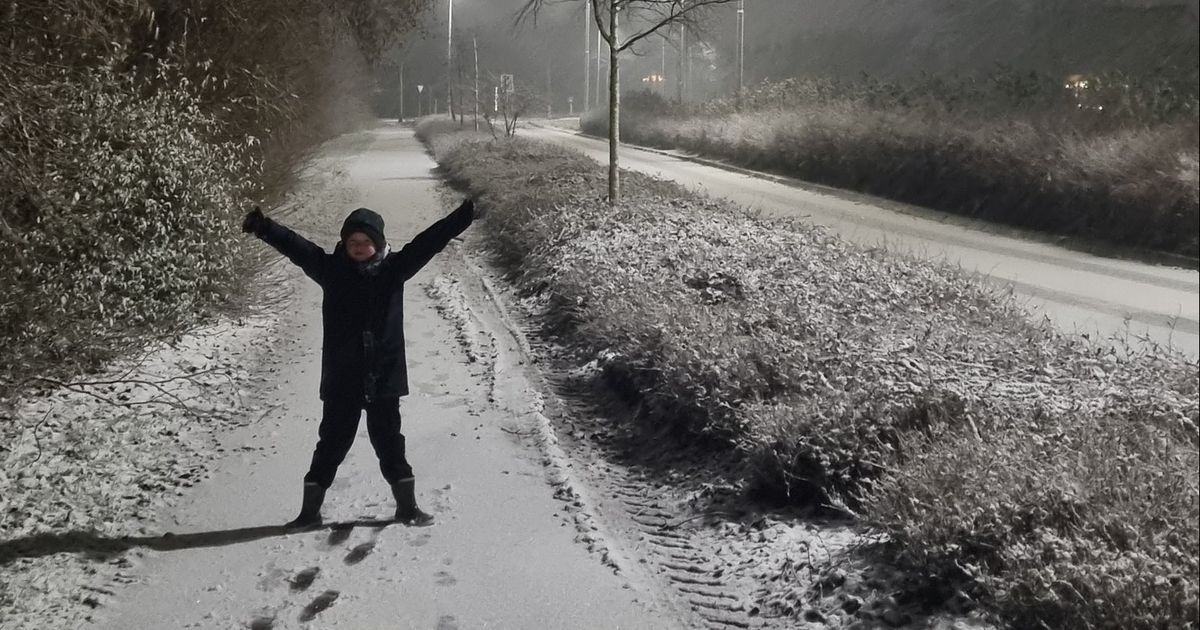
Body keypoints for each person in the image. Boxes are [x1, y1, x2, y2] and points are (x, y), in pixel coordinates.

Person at [241, 200, 475, 528]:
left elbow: (429, 242)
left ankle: (407, 508)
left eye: (366, 242)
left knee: (390, 443)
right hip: (342, 380)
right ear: (344, 244)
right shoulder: (331, 270)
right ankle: (309, 514)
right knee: (331, 444)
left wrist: (464, 215)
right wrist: (265, 228)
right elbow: (298, 248)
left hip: (384, 379)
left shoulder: (395, 270)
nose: (360, 248)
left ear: (378, 244)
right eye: (353, 242)